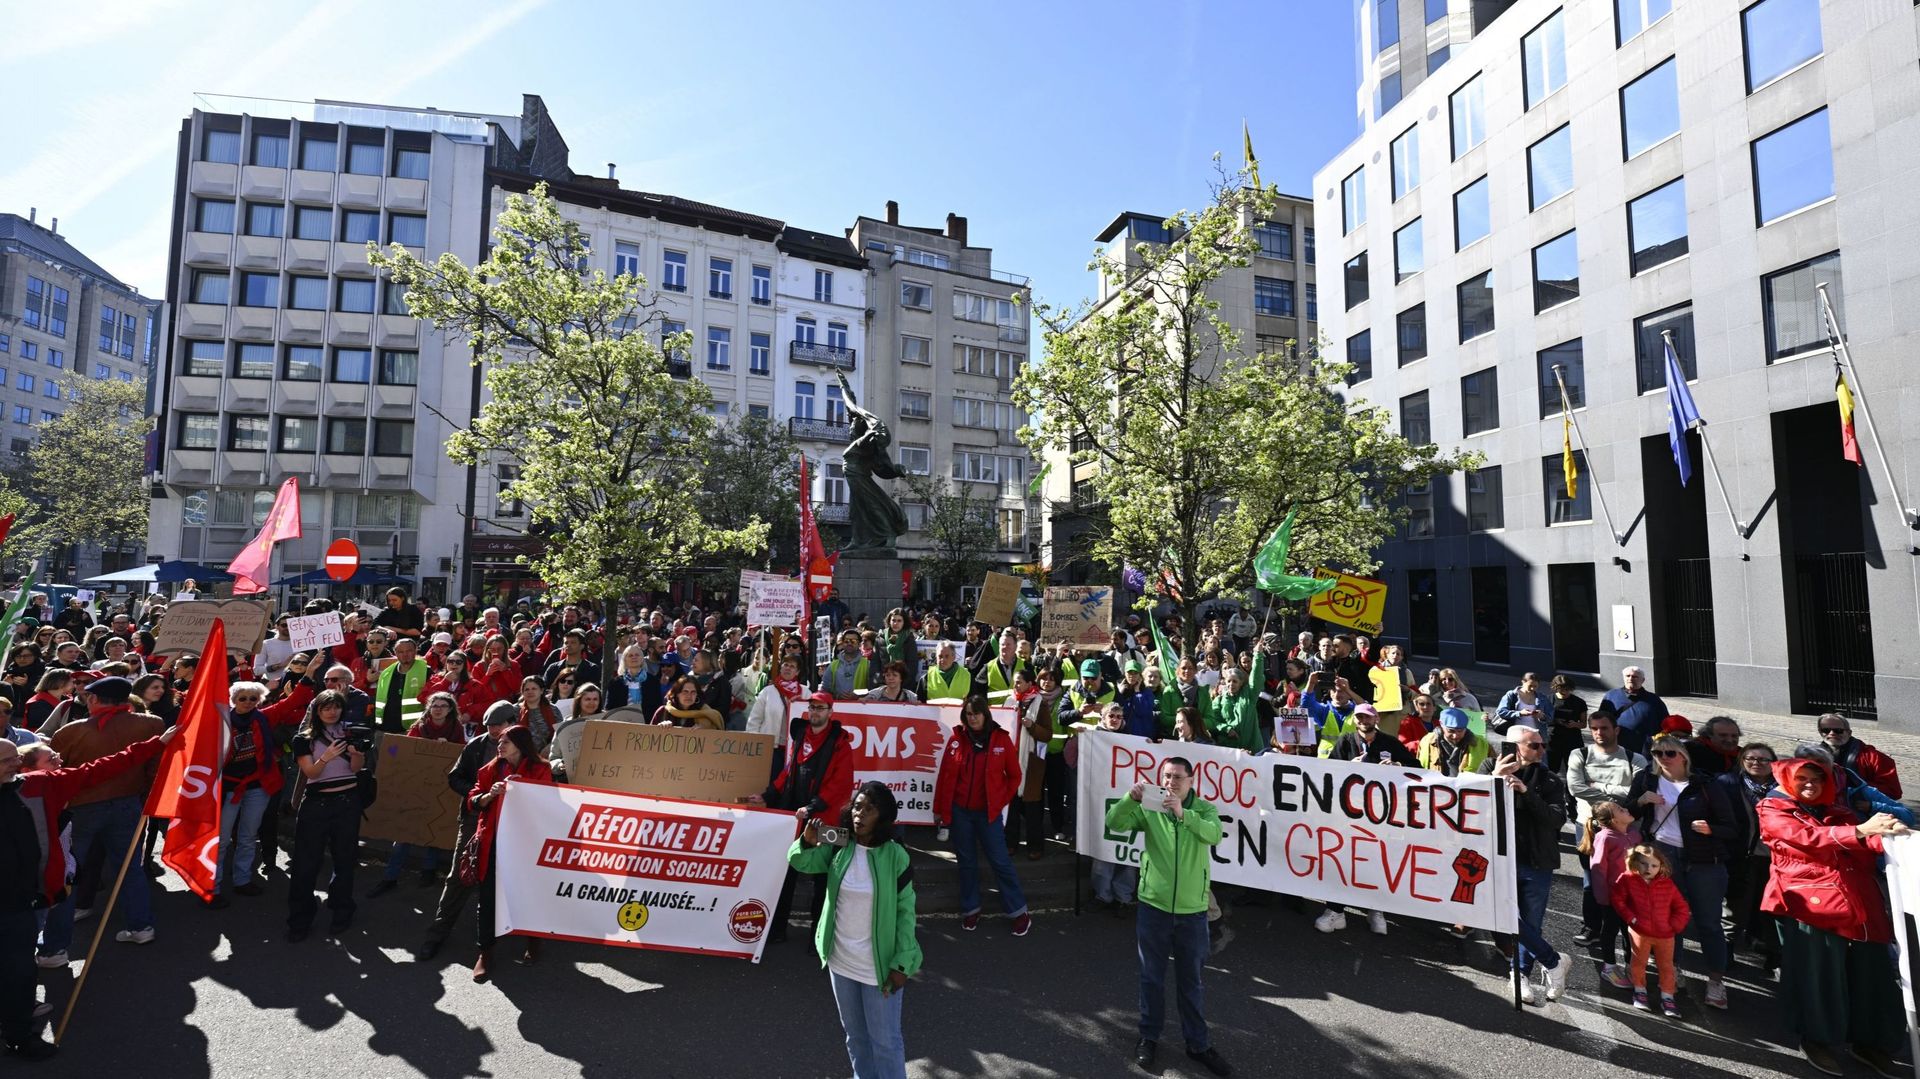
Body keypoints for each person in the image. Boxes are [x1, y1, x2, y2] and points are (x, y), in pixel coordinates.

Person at [1, 726, 175, 1060]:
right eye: (7, 760)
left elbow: (99, 769)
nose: (15, 764)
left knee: (20, 968)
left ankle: (18, 1035)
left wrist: (157, 743)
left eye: (15, 758)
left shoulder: (38, 785)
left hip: (23, 901)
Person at [1760, 747, 1910, 1077]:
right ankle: (1818, 1039)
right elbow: (1805, 837)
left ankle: (1871, 1042)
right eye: (1802, 778)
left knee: (1873, 973)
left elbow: (1864, 843)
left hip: (1859, 899)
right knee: (1819, 974)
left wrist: (1890, 834)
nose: (1810, 784)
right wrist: (1862, 831)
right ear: (1788, 779)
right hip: (1811, 903)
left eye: (1817, 778)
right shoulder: (1772, 808)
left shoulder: (1836, 809)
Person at [788, 781, 921, 1079]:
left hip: (879, 967)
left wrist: (903, 962)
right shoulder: (840, 843)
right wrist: (806, 842)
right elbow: (801, 862)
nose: (860, 814)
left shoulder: (896, 855)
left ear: (883, 817)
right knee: (856, 1039)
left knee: (885, 1043)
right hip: (841, 962)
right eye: (857, 806)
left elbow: (906, 913)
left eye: (870, 809)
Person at [1107, 756, 1230, 1076]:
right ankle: (1148, 1037)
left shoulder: (1204, 809)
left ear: (1191, 780)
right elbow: (1114, 823)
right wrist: (1129, 798)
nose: (1170, 782)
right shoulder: (1150, 806)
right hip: (1154, 908)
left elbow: (1214, 835)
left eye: (1177, 777)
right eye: (1166, 776)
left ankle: (1198, 1044)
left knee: (1191, 982)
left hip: (1192, 912)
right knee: (1151, 978)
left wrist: (1183, 814)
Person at [38, 678, 165, 963]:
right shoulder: (152, 724)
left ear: (94, 699)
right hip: (128, 802)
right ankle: (141, 926)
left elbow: (57, 773)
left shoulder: (71, 731)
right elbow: (154, 767)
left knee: (67, 874)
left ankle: (55, 948)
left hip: (81, 809)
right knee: (129, 867)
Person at [1626, 731, 1738, 1009]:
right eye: (1657, 753)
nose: (1663, 758)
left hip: (1703, 860)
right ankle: (1671, 971)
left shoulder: (1705, 785)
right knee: (1667, 920)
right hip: (1663, 857)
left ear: (1684, 757)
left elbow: (1731, 827)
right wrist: (1641, 801)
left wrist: (1711, 829)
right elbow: (1628, 814)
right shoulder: (1647, 780)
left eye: (1670, 753)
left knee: (1708, 922)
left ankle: (1716, 980)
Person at [418, 702, 516, 961]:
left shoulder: (524, 746)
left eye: (498, 725)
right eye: (489, 726)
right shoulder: (476, 746)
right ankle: (437, 934)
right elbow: (455, 777)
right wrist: (477, 795)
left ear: (512, 722)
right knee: (459, 876)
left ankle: (503, 937)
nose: (493, 731)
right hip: (475, 819)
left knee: (504, 880)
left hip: (510, 824)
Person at [760, 691, 854, 943]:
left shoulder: (841, 744)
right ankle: (777, 930)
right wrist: (768, 795)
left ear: (830, 712)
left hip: (829, 821)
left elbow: (841, 784)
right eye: (812, 707)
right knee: (785, 874)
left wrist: (812, 807)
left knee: (825, 879)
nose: (815, 712)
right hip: (797, 818)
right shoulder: (801, 736)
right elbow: (789, 772)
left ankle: (819, 935)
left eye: (820, 708)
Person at [931, 695, 1030, 935]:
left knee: (1000, 861)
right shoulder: (956, 739)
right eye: (968, 714)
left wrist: (999, 800)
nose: (972, 718)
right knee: (966, 863)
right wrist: (939, 809)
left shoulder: (1001, 739)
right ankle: (971, 909)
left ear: (985, 714)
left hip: (988, 814)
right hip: (960, 813)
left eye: (976, 713)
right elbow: (944, 776)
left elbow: (1015, 776)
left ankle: (1019, 912)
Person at [464, 724, 552, 982]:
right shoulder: (490, 769)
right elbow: (472, 800)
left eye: (506, 742)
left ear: (520, 745)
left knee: (528, 893)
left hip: (525, 843)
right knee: (487, 896)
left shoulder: (540, 769)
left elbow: (548, 803)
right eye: (500, 741)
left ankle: (533, 940)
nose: (500, 746)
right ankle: (485, 951)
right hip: (493, 841)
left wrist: (524, 789)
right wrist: (489, 796)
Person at [286, 689, 369, 943]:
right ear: (317, 711)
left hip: (348, 802)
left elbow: (355, 769)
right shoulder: (303, 738)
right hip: (317, 804)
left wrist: (357, 754)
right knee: (306, 863)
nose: (332, 712)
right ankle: (300, 919)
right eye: (326, 708)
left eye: (336, 707)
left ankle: (342, 910)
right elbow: (311, 773)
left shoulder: (351, 732)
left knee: (345, 860)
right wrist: (326, 756)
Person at [1500, 727, 1573, 1005]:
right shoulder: (1491, 768)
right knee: (1506, 917)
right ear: (1514, 746)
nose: (1542, 750)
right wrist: (1495, 779)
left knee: (1531, 922)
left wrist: (1526, 792)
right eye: (1534, 745)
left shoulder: (1549, 779)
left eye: (1542, 745)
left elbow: (1555, 819)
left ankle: (1520, 975)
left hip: (1537, 860)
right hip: (1502, 858)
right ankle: (1553, 961)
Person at [1567, 707, 1647, 943]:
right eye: (1594, 729)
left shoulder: (1635, 759)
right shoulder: (1579, 754)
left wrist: (1597, 787)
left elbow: (1635, 793)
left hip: (1626, 829)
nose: (1598, 733)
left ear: (1616, 730)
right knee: (1592, 877)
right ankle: (1592, 927)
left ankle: (1629, 931)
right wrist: (1617, 797)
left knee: (1628, 878)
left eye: (1604, 728)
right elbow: (1576, 788)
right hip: (1588, 825)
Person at [1719, 742, 1780, 972]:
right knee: (1734, 904)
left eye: (1763, 759)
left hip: (1774, 857)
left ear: (1773, 763)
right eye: (1751, 758)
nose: (1757, 763)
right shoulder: (1728, 784)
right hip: (1741, 855)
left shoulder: (1783, 788)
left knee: (1770, 906)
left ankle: (1770, 952)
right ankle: (1726, 950)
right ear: (1741, 761)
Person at [1611, 845, 1692, 1018]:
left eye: (1654, 865)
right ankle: (1640, 990)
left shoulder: (1667, 884)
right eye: (1644, 864)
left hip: (1666, 935)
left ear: (1661, 866)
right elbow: (1618, 899)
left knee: (1667, 966)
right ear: (1635, 862)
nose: (1649, 869)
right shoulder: (1627, 878)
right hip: (1640, 932)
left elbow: (1682, 908)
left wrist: (1674, 926)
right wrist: (1632, 919)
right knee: (1638, 963)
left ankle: (1668, 996)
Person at [1580, 799, 1639, 989]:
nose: (1626, 809)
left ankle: (1631, 966)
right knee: (1610, 930)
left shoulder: (1634, 834)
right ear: (1614, 820)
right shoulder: (1604, 837)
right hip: (1613, 897)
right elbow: (1598, 869)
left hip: (1632, 896)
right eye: (1620, 809)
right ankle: (1609, 967)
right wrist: (1604, 897)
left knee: (1630, 932)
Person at [1007, 668, 1055, 858]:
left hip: (1032, 763)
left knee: (1032, 807)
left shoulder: (1039, 703)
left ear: (1029, 683)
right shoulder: (1009, 701)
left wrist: (1032, 726)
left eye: (1019, 682)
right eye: (1015, 681)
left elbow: (1048, 734)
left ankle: (1035, 847)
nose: (1016, 685)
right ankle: (1010, 843)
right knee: (1011, 805)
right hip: (1010, 761)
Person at [1816, 713, 1901, 799]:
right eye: (1826, 730)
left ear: (1849, 732)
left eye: (1838, 730)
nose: (1832, 734)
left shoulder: (1874, 757)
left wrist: (1857, 788)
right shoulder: (1814, 756)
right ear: (1820, 732)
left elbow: (1893, 791)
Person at [1206, 651, 1265, 754]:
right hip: (1229, 749)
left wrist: (1258, 655)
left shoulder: (1249, 695)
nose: (1231, 684)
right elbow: (1213, 721)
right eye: (1229, 681)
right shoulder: (1218, 700)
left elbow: (1256, 678)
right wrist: (1226, 729)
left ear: (1241, 683)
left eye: (1235, 681)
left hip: (1252, 747)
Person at [1601, 666, 1668, 755]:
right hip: (1617, 746)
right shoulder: (1611, 696)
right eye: (1627, 676)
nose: (1630, 679)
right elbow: (1601, 720)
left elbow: (1665, 722)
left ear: (1642, 680)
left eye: (1635, 676)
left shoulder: (1653, 699)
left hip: (1645, 749)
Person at [372, 636, 430, 734]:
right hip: (385, 728)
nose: (405, 655)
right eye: (400, 652)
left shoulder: (426, 671)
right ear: (395, 653)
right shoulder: (386, 673)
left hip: (413, 729)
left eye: (409, 651)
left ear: (416, 651)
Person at [1417, 706, 1492, 776]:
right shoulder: (1427, 741)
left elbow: (1493, 767)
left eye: (1460, 731)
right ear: (1441, 724)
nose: (1455, 735)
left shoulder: (1481, 743)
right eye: (1451, 731)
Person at [652, 675, 724, 729]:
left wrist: (704, 730)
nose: (689, 696)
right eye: (685, 691)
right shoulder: (663, 712)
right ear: (677, 694)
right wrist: (660, 727)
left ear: (697, 695)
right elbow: (649, 735)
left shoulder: (705, 714)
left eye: (693, 692)